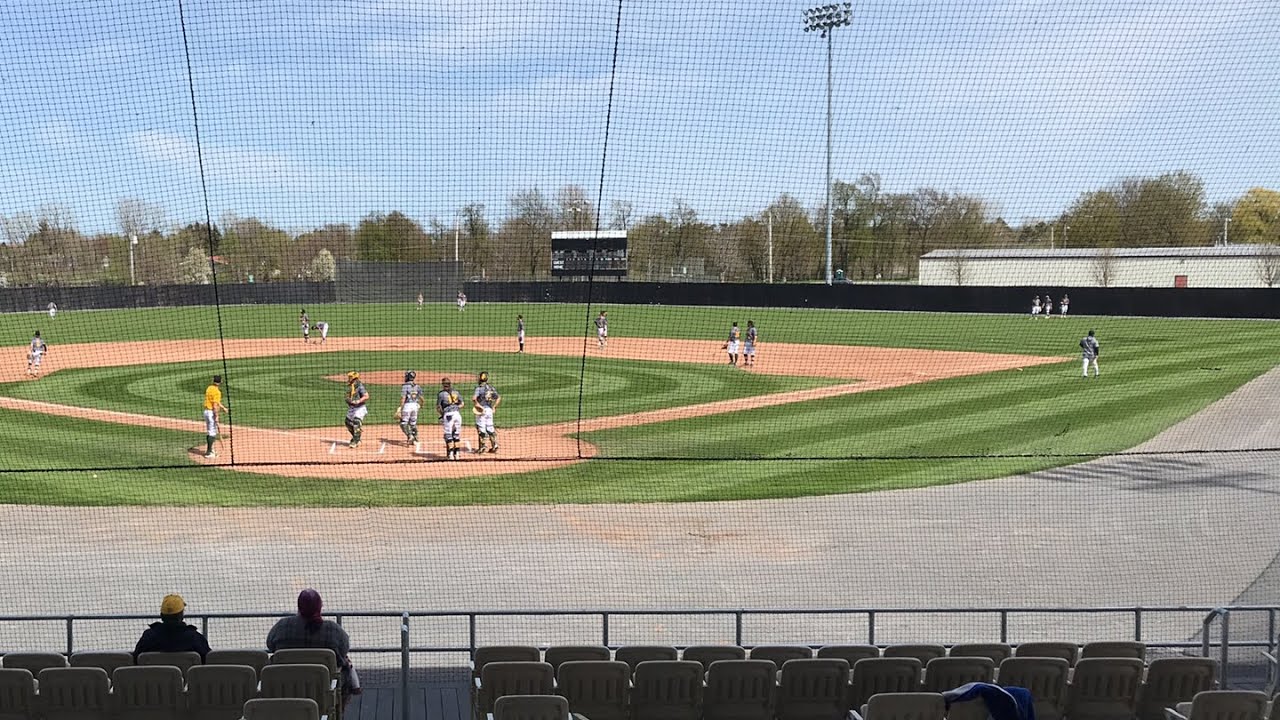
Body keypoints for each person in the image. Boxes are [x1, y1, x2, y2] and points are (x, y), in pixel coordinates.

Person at [266, 589, 360, 700]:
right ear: (319, 606)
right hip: (323, 691)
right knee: (345, 665)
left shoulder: (282, 627)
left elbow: (270, 645)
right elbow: (344, 649)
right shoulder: (333, 630)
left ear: (299, 606)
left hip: (287, 688)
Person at [133, 594, 211, 662]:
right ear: (181, 616)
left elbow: (136, 658)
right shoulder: (194, 638)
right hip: (188, 679)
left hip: (153, 678)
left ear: (161, 615)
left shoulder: (148, 637)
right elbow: (208, 659)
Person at [472, 371, 501, 454]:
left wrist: (479, 406)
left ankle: (482, 447)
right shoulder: (491, 388)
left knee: (481, 429)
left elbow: (474, 398)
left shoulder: (479, 388)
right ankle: (494, 445)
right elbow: (498, 398)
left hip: (482, 411)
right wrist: (494, 407)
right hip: (489, 410)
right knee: (490, 428)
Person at [202, 375, 229, 459]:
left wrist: (223, 407)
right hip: (211, 412)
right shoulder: (217, 392)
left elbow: (215, 401)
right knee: (212, 432)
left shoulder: (209, 388)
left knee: (210, 431)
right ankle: (208, 453)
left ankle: (210, 449)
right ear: (220, 383)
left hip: (206, 411)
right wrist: (216, 416)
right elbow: (214, 405)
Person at [437, 377, 463, 460]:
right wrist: (455, 407)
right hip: (457, 415)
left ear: (443, 384)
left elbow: (438, 407)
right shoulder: (456, 392)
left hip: (448, 415)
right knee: (456, 434)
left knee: (448, 435)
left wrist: (442, 414)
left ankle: (451, 454)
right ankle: (457, 454)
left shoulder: (441, 394)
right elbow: (462, 404)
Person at [396, 371, 422, 445]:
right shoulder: (417, 386)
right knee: (413, 423)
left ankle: (410, 436)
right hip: (415, 406)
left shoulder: (405, 386)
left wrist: (401, 408)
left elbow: (403, 398)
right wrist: (421, 405)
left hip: (407, 406)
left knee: (403, 423)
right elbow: (422, 398)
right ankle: (416, 438)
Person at [344, 371, 368, 448]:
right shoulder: (350, 386)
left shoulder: (360, 386)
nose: (349, 378)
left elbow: (366, 396)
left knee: (356, 421)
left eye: (350, 377)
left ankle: (355, 441)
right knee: (347, 423)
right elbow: (348, 397)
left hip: (360, 408)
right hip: (352, 408)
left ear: (354, 378)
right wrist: (348, 400)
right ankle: (356, 436)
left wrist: (358, 401)